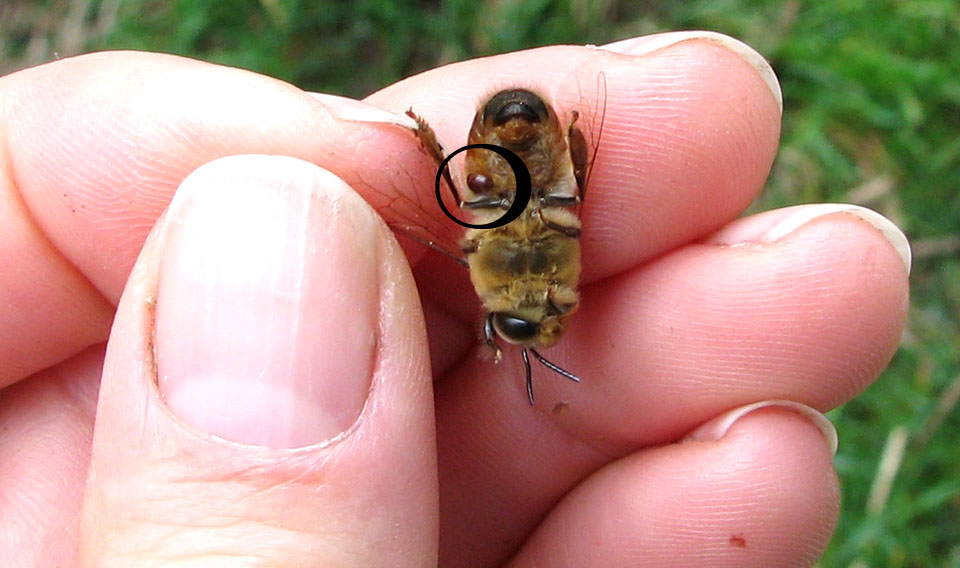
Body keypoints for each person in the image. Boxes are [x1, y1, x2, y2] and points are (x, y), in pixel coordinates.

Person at [0, 31, 909, 566]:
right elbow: (496, 238)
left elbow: (497, 235)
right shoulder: (516, 275)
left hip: (517, 164)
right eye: (529, 328)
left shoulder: (521, 274)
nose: (523, 331)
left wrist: (556, 167)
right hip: (519, 164)